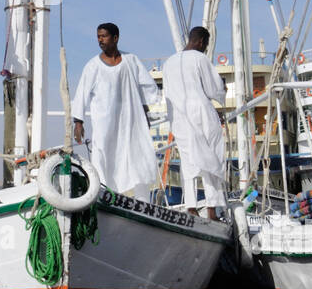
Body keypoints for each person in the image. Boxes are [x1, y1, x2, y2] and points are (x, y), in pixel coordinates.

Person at [71, 23, 160, 195]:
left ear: (115, 38)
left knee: (137, 153)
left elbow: (147, 86)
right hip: (105, 122)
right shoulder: (93, 66)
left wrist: (145, 112)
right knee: (103, 153)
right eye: (98, 36)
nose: (100, 40)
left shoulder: (131, 60)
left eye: (104, 36)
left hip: (131, 120)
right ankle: (104, 193)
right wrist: (78, 122)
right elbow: (81, 93)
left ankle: (142, 198)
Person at [161, 25, 226, 220]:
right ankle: (212, 209)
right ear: (201, 41)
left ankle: (190, 207)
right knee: (211, 156)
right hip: (200, 112)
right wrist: (223, 89)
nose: (205, 48)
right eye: (205, 44)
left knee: (188, 161)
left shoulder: (168, 63)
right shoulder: (200, 58)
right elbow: (213, 89)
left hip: (179, 117)